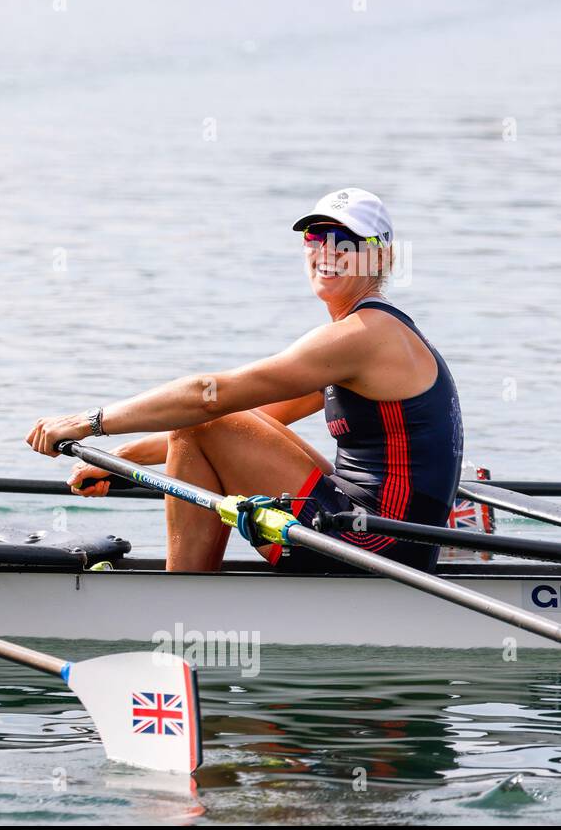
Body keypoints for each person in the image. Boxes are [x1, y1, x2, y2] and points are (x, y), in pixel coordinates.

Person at [26, 188, 462, 573]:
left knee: (203, 418)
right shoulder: (368, 336)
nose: (327, 251)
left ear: (382, 257)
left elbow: (210, 399)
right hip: (376, 535)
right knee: (206, 425)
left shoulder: (367, 336)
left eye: (346, 241)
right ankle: (187, 590)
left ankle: (181, 603)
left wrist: (89, 422)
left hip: (376, 548)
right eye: (315, 237)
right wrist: (120, 462)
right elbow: (248, 419)